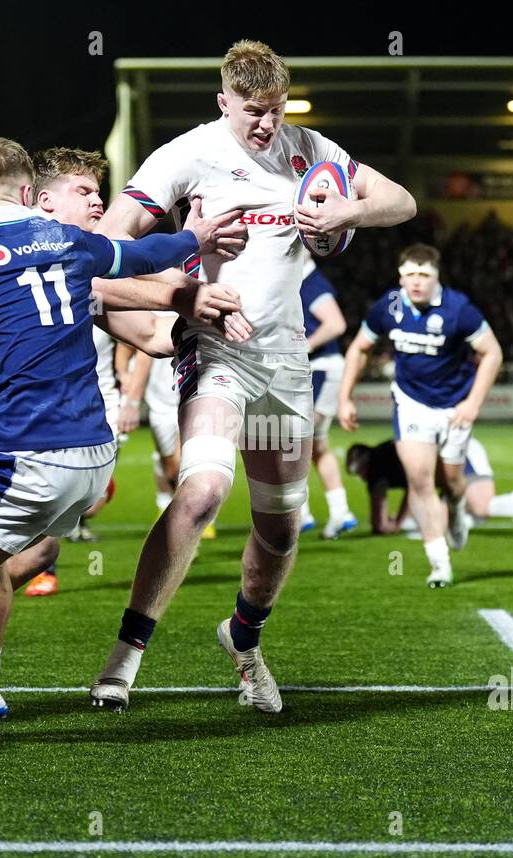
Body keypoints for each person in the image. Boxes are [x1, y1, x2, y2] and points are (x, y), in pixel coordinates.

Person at [0, 136, 244, 761]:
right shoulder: (71, 248)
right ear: (32, 195)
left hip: (28, 453)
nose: (97, 203)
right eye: (87, 193)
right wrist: (194, 242)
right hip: (94, 459)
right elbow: (139, 257)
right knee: (20, 551)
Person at [88, 39, 416, 714]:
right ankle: (125, 656)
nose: (265, 124)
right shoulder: (187, 155)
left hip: (286, 363)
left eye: (275, 109)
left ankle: (244, 642)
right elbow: (106, 252)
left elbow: (402, 201)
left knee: (281, 531)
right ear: (223, 102)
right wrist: (187, 266)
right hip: (215, 351)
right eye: (252, 112)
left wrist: (347, 212)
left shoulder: (311, 149)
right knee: (203, 488)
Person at [337, 243, 503, 587]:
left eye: (424, 275)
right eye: (410, 274)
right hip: (411, 404)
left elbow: (492, 353)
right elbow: (359, 348)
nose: (416, 282)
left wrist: (472, 404)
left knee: (453, 482)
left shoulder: (459, 309)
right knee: (419, 480)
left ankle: (456, 509)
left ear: (436, 277)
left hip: (454, 408)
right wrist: (345, 397)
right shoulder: (390, 305)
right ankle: (439, 563)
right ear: (400, 276)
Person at [347, 437, 513, 539]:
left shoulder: (378, 464)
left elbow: (380, 520)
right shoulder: (385, 455)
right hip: (451, 460)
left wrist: (393, 524)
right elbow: (413, 490)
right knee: (442, 526)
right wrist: (397, 522)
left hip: (457, 455)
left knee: (480, 507)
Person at [297, 250, 358, 539]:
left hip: (321, 369)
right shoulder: (304, 281)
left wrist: (304, 346)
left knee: (293, 440)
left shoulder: (311, 283)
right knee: (317, 445)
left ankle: (300, 513)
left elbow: (336, 323)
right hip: (321, 369)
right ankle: (339, 512)